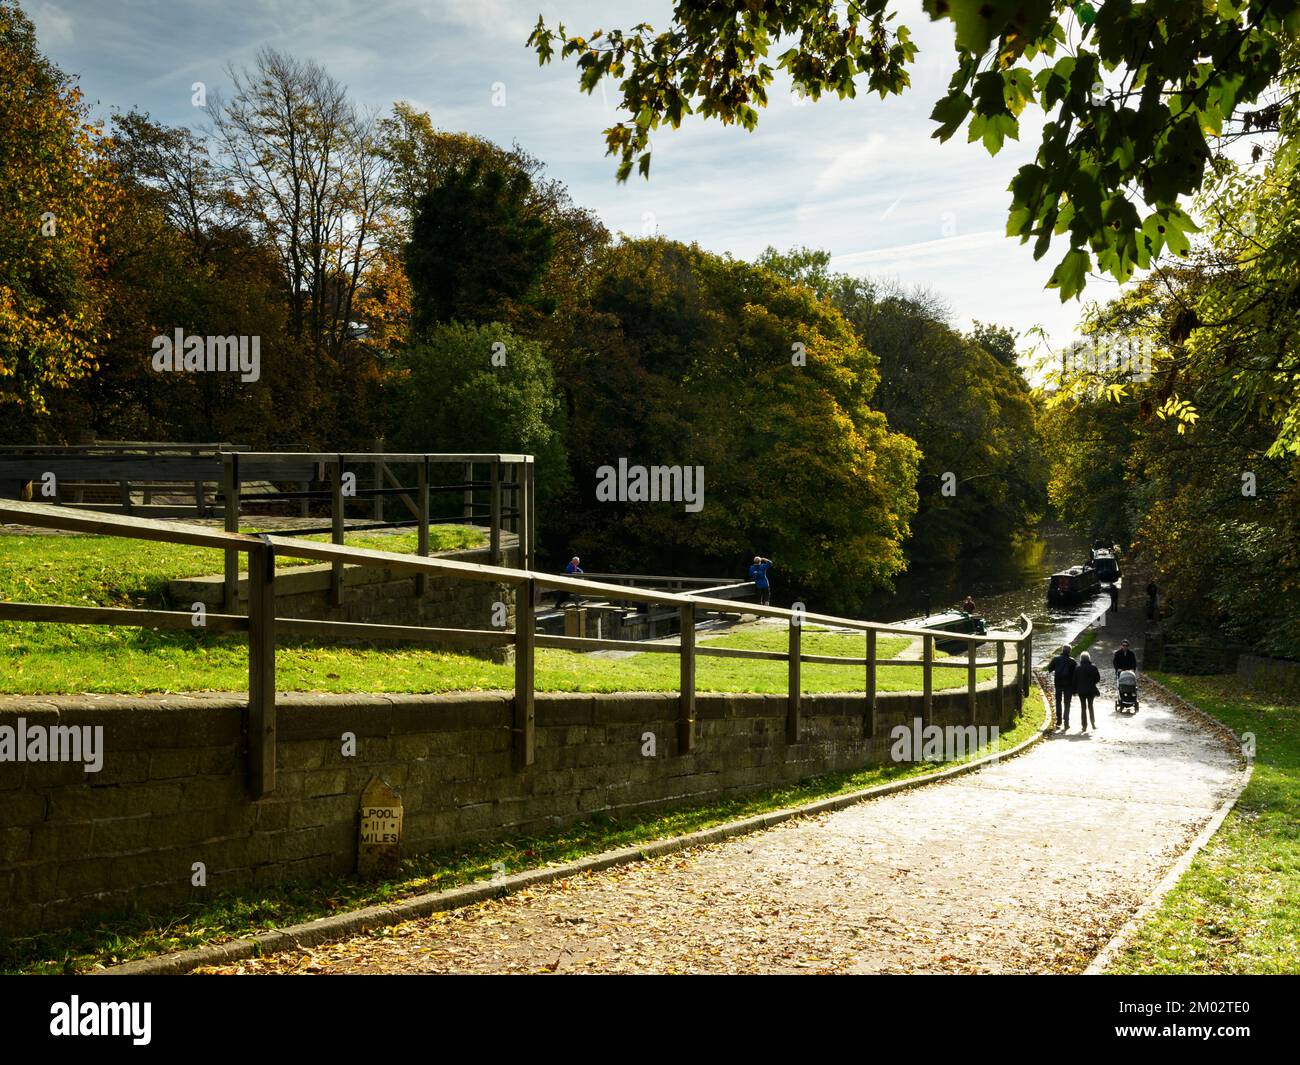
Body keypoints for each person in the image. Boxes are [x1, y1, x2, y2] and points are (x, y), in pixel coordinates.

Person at [1046, 644, 1076, 730]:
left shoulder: (1056, 659)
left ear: (1062, 650)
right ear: (1070, 651)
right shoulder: (1072, 661)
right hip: (1068, 685)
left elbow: (1049, 668)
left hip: (1058, 684)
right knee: (1067, 703)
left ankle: (1059, 721)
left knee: (1058, 702)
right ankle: (1066, 722)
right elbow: (1075, 674)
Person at [1074, 651, 1101, 731]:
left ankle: (1084, 726)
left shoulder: (1078, 668)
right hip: (1091, 690)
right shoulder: (1093, 667)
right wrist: (1092, 683)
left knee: (1083, 707)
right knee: (1090, 706)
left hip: (1081, 691)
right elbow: (1097, 678)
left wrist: (1074, 690)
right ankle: (1093, 724)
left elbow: (1075, 680)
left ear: (1081, 659)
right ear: (1089, 658)